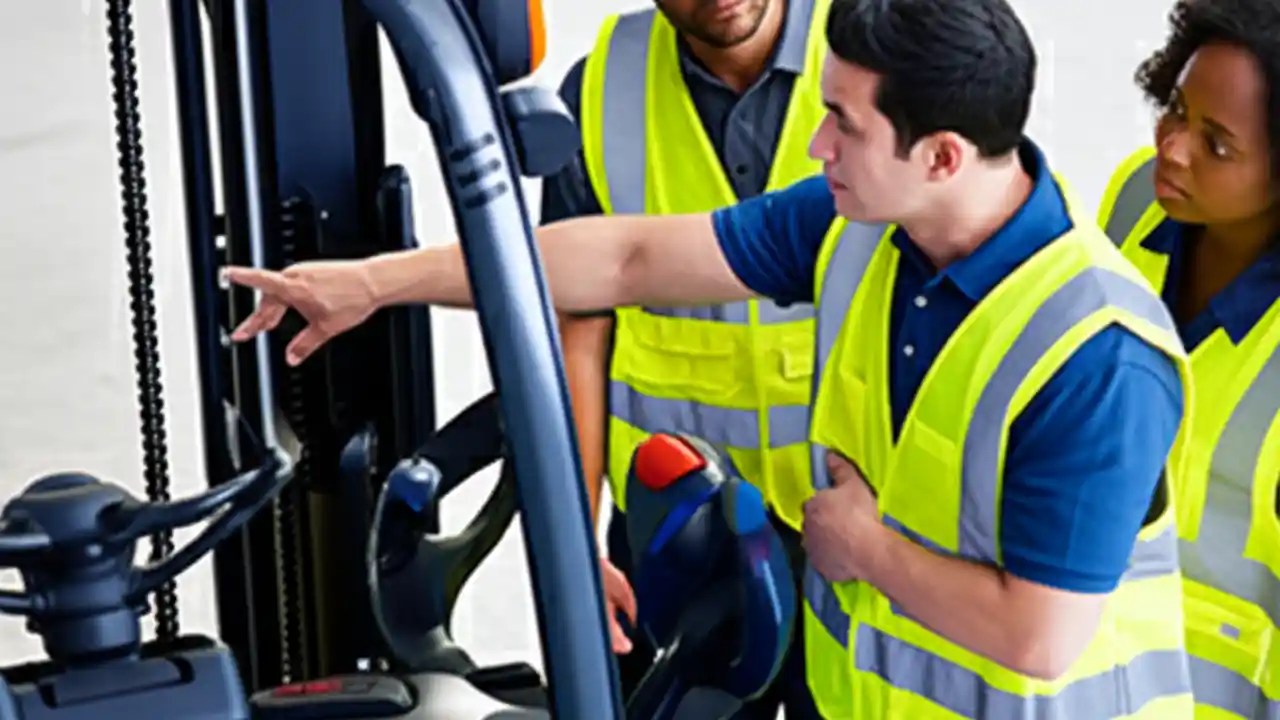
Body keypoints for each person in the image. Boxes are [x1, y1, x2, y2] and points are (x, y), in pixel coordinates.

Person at [224, 0, 1197, 716]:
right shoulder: (852, 226)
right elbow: (626, 255)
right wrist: (371, 284)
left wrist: (863, 550)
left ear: (940, 156)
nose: (815, 144)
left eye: (843, 125)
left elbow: (1037, 639)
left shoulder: (1094, 356)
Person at [543, 0, 829, 712]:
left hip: (855, 532)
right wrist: (573, 539)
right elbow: (579, 324)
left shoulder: (883, 58)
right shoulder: (603, 89)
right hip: (677, 531)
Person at [1097, 1, 1280, 717]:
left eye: (1219, 145)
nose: (1171, 148)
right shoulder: (1135, 198)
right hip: (1087, 671)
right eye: (1175, 109)